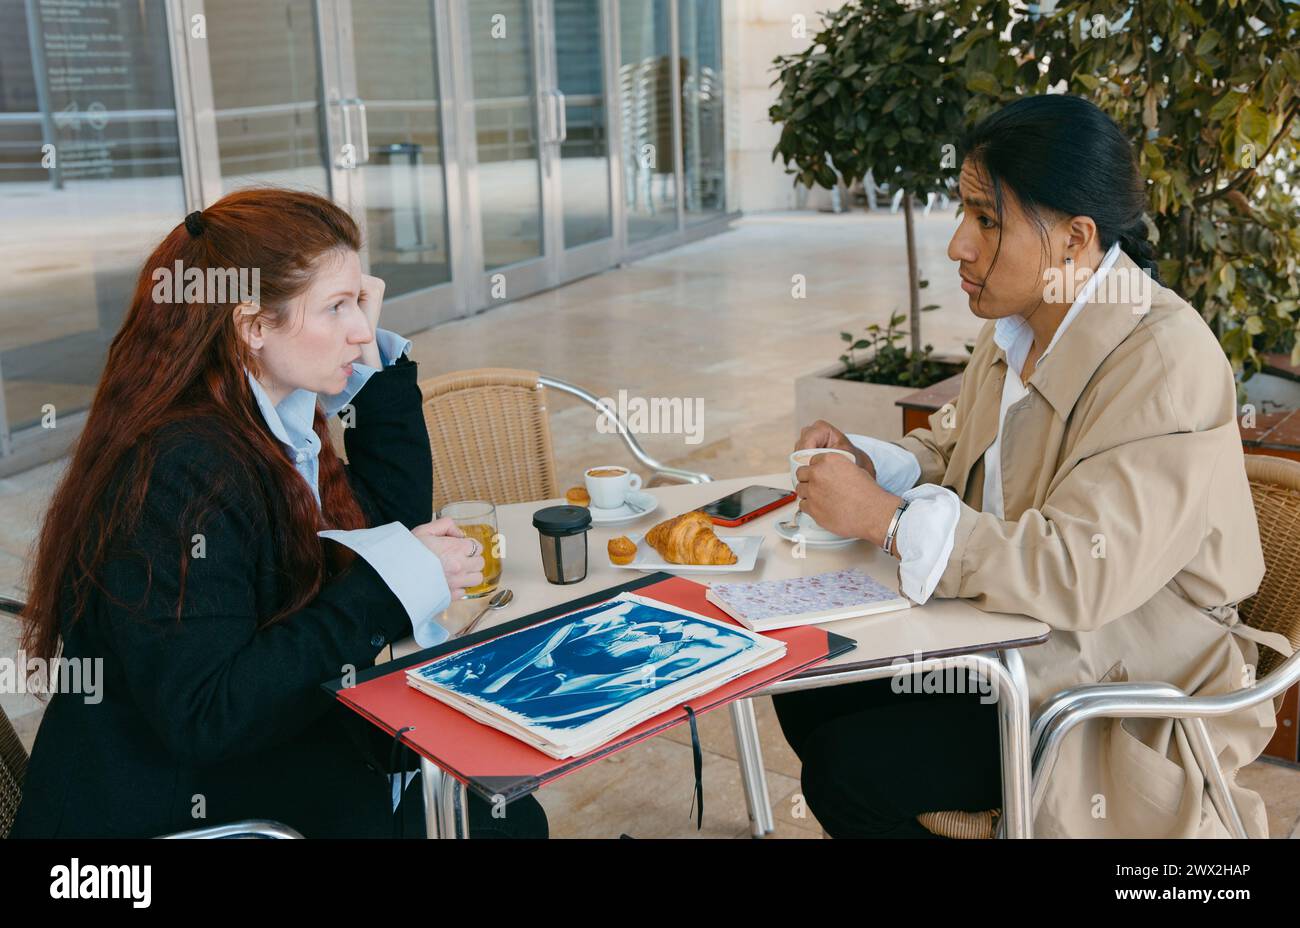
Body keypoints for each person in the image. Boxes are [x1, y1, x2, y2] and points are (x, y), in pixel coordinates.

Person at [779, 95, 1288, 838]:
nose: (960, 244)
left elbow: (1082, 571)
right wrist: (869, 466)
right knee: (808, 682)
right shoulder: (1018, 327)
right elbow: (955, 452)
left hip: (1115, 679)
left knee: (849, 770)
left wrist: (884, 522)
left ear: (1076, 240)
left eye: (989, 220)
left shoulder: (1163, 360)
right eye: (964, 212)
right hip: (1007, 642)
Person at [12, 188, 546, 838]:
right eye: (338, 306)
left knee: (505, 810)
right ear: (254, 326)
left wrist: (377, 381)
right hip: (176, 815)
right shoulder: (183, 468)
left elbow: (387, 531)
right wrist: (384, 589)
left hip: (264, 750)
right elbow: (205, 714)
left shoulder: (273, 419)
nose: (361, 325)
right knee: (498, 819)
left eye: (361, 298)